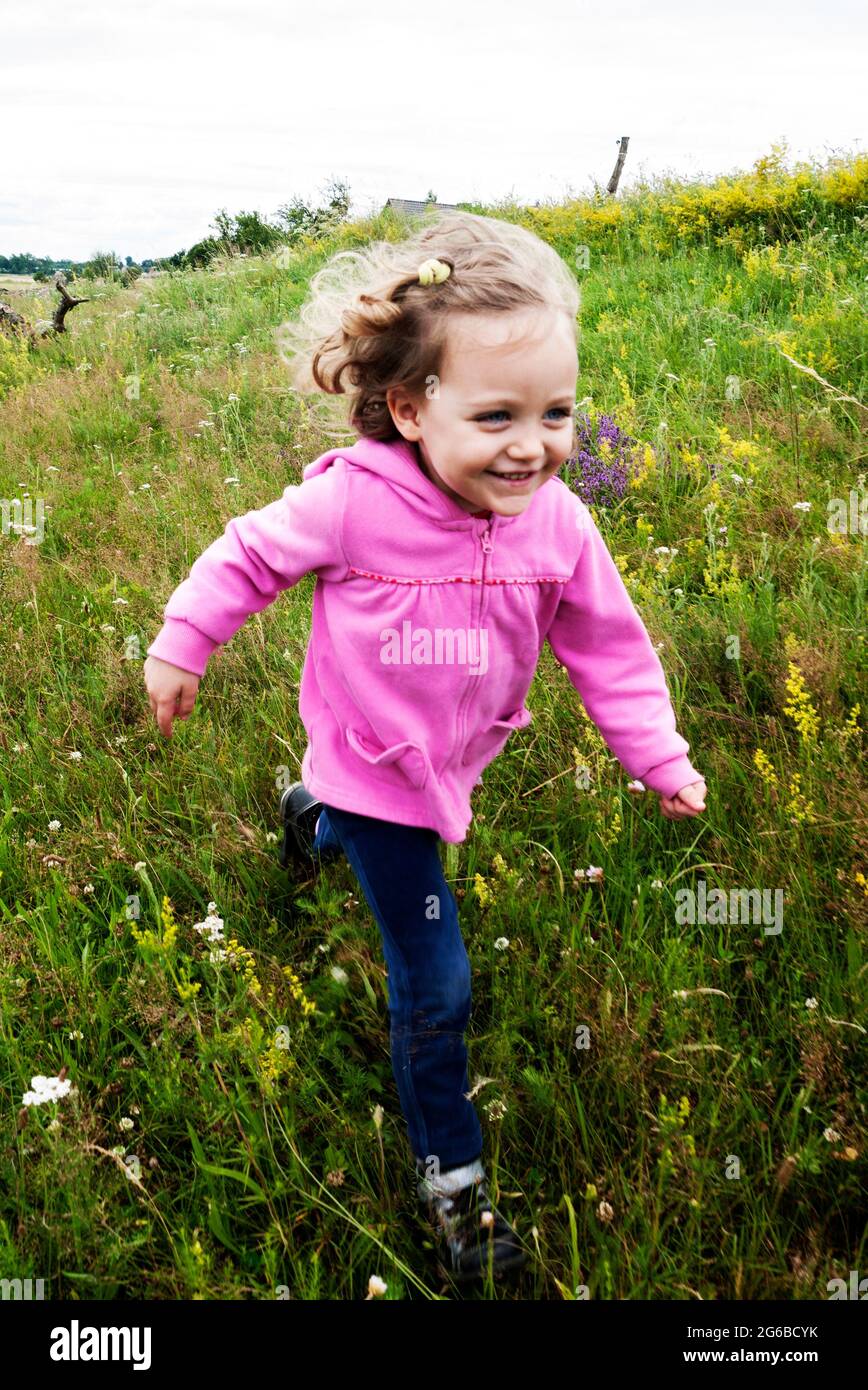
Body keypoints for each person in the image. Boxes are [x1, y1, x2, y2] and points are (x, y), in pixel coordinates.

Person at [143, 210, 707, 1283]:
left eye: (556, 413)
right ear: (408, 407)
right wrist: (184, 639)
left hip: (451, 759)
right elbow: (247, 554)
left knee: (341, 821)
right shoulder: (355, 503)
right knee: (435, 980)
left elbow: (610, 649)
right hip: (378, 764)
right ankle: (456, 1193)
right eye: (495, 414)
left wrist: (659, 755)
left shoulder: (557, 524)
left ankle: (308, 814)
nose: (532, 444)